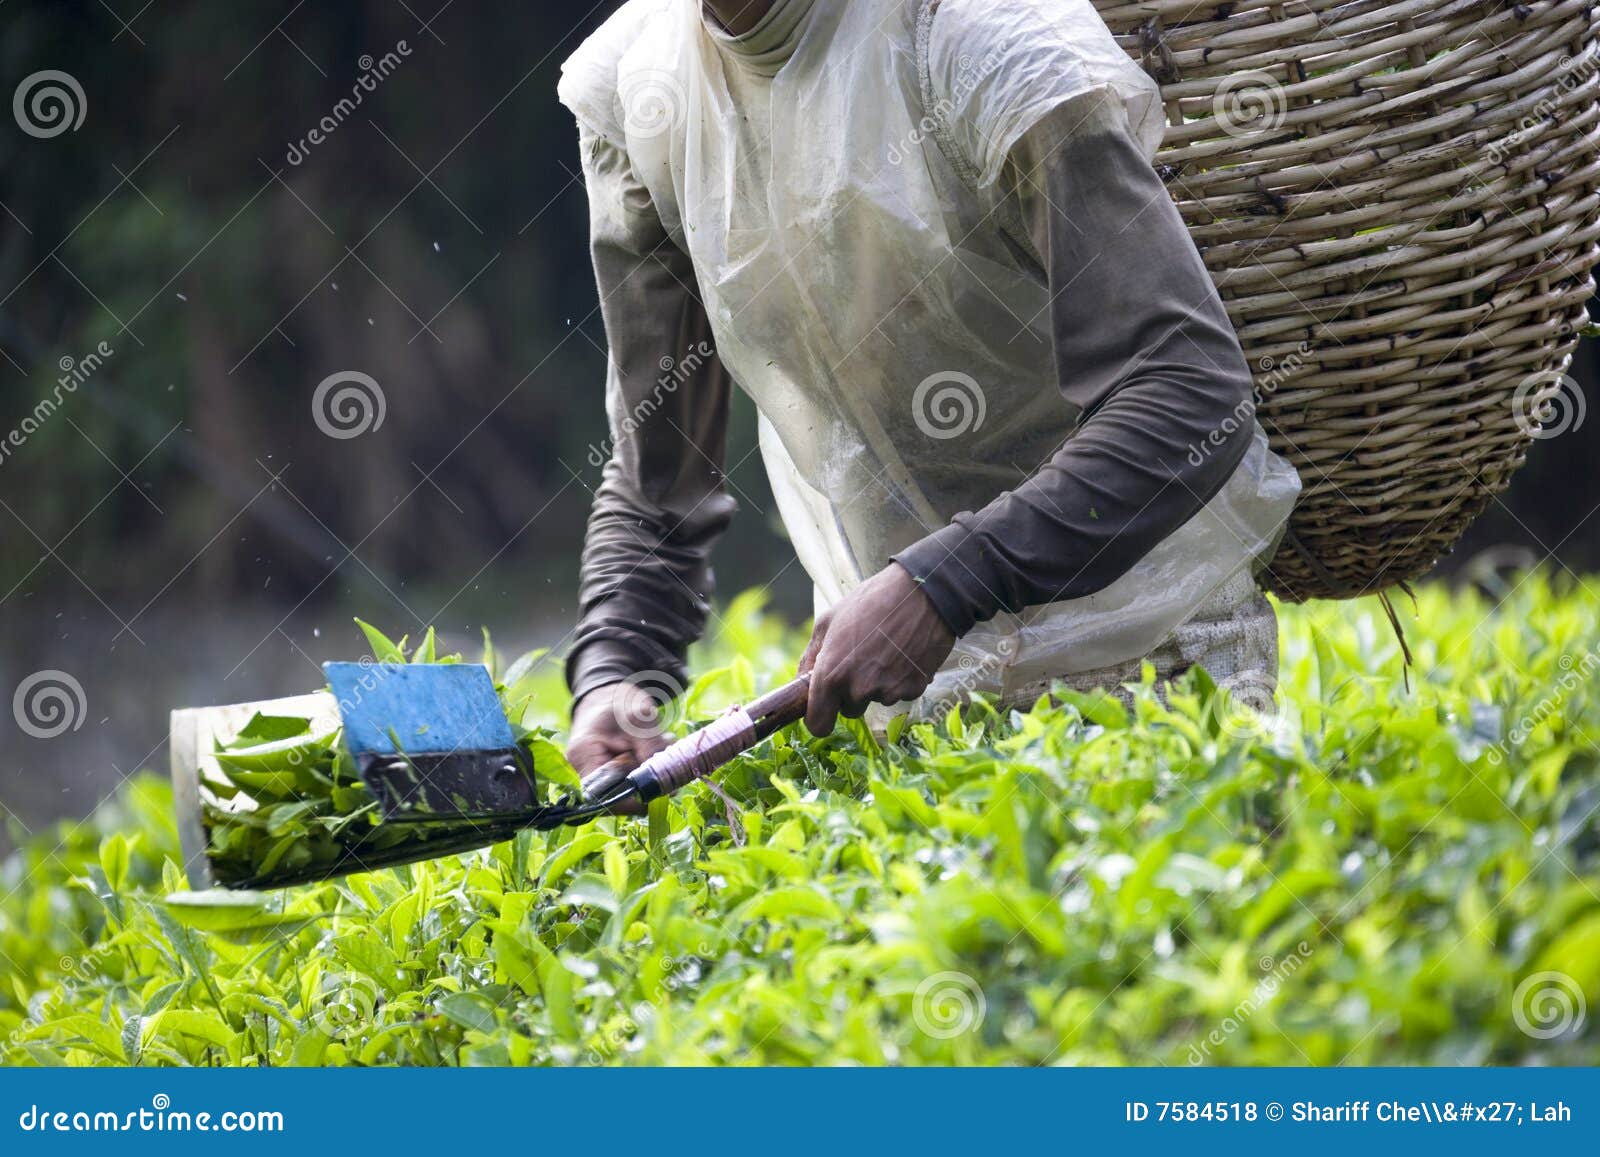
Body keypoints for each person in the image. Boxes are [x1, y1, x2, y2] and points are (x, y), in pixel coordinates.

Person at [558, 0, 1300, 791]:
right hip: (906, 714)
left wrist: (944, 584)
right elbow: (657, 474)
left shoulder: (979, 36)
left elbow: (1189, 386)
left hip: (1157, 673)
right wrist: (617, 668)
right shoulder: (637, 91)